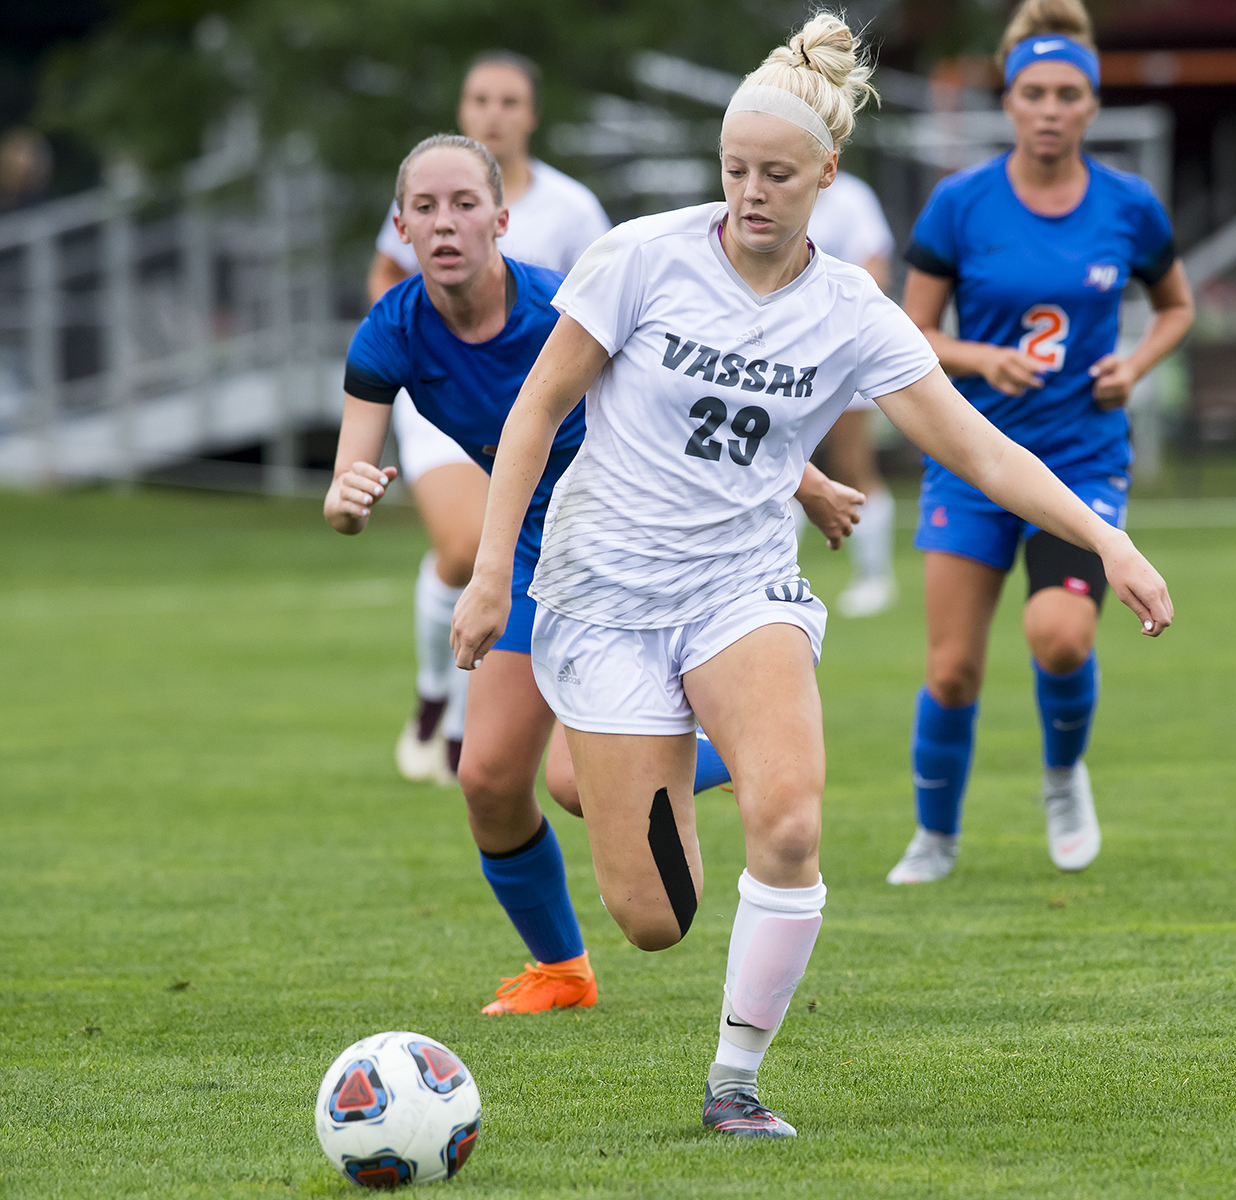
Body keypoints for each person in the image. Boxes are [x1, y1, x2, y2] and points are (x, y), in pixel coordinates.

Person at [450, 13, 1172, 1138]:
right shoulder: (641, 256)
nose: (750, 193)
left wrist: (1109, 540)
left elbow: (979, 448)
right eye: (735, 169)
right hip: (605, 596)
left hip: (741, 590)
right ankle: (660, 758)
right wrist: (494, 574)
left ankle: (734, 1085)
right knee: (652, 921)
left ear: (826, 178)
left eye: (777, 175)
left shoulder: (850, 312)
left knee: (789, 822)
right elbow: (538, 406)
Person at [328, 134, 861, 1016]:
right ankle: (563, 971)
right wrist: (348, 497)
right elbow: (349, 484)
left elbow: (690, 395)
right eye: (425, 208)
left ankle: (756, 751)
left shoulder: (558, 304)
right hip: (526, 542)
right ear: (400, 228)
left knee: (574, 786)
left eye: (465, 203)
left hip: (619, 534)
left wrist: (802, 481)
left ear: (502, 219)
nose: (446, 222)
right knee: (489, 781)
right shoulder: (389, 332)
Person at [885, 0, 1194, 886]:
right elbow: (908, 334)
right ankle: (935, 837)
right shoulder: (960, 203)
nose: (1050, 108)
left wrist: (1135, 367)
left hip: (1080, 460)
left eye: (1067, 93)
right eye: (1033, 92)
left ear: (1091, 105)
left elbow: (1178, 307)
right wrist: (983, 357)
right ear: (1008, 100)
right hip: (973, 460)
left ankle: (1063, 778)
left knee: (1060, 637)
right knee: (951, 671)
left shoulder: (1129, 206)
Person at [368, 50, 612, 787]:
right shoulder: (433, 185)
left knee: (502, 557)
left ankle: (473, 729)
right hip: (444, 403)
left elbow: (608, 308)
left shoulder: (572, 209)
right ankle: (435, 696)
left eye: (509, 101)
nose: (493, 113)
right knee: (468, 546)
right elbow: (387, 273)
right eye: (480, 99)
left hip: (543, 425)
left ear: (532, 115)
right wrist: (390, 337)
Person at [805, 171, 899, 617]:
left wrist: (834, 331)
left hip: (838, 352)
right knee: (767, 464)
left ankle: (874, 575)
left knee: (851, 463)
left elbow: (873, 267)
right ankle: (766, 577)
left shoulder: (850, 197)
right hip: (778, 353)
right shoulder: (761, 188)